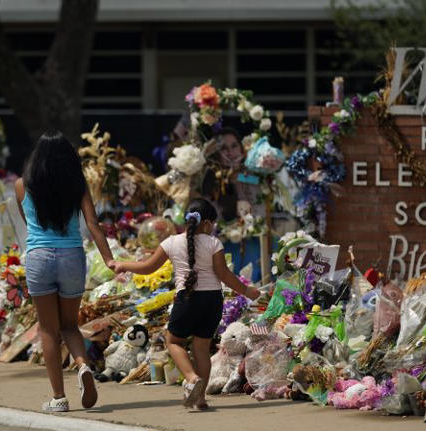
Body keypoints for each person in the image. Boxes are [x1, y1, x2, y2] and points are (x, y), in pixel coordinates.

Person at [115, 198, 261, 409]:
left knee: (173, 341)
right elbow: (224, 274)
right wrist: (247, 291)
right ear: (208, 224)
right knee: (201, 348)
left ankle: (192, 379)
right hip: (213, 301)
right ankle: (200, 399)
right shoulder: (213, 243)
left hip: (188, 299)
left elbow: (147, 267)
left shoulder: (171, 242)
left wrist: (123, 265)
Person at [15, 131, 119, 413]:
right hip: (72, 256)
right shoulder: (77, 185)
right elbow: (93, 223)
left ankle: (59, 398)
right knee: (70, 325)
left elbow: (29, 222)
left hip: (39, 257)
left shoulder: (22, 185)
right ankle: (83, 365)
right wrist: (109, 260)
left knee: (48, 329)